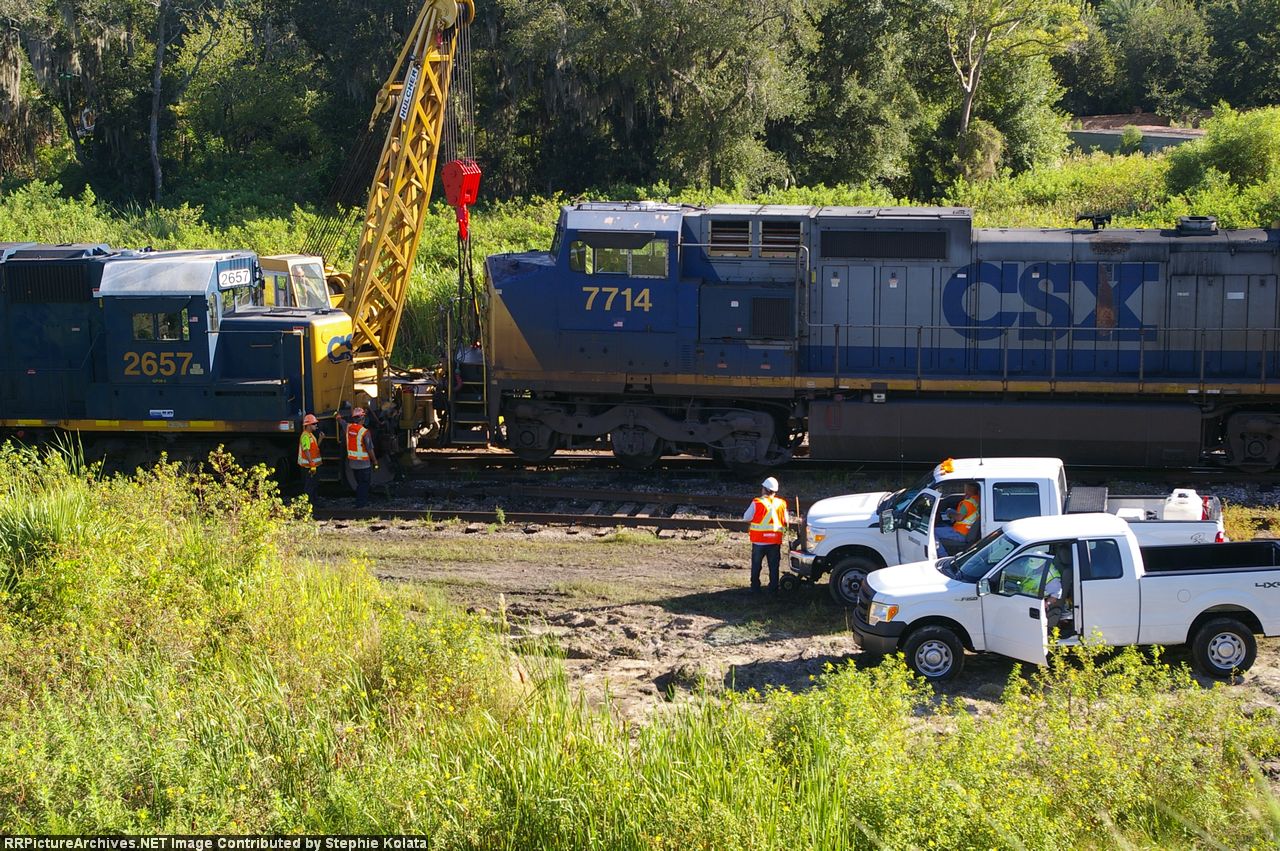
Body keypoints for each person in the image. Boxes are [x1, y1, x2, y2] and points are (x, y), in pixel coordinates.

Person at [743, 476, 789, 593]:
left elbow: (746, 518)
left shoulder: (757, 502)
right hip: (774, 541)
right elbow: (786, 521)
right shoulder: (782, 503)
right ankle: (773, 589)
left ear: (764, 489)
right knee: (774, 567)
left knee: (756, 565)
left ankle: (755, 588)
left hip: (759, 541)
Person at [346, 407, 378, 508]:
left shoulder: (348, 427)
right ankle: (361, 504)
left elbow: (341, 421)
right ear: (362, 419)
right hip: (364, 464)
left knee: (359, 483)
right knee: (364, 484)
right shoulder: (364, 432)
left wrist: (337, 416)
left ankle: (360, 501)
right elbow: (370, 449)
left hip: (353, 463)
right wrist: (375, 462)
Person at [935, 482, 980, 552]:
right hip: (967, 531)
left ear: (968, 489)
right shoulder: (978, 500)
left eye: (965, 488)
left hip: (960, 533)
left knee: (933, 532)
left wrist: (950, 514)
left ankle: (941, 555)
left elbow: (959, 517)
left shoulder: (967, 503)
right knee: (943, 524)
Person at [297, 413, 322, 503]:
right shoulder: (305, 436)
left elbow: (314, 448)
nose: (316, 425)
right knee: (310, 485)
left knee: (314, 484)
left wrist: (320, 439)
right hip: (309, 466)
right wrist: (311, 462)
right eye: (314, 424)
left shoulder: (310, 435)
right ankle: (310, 503)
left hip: (312, 465)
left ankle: (314, 502)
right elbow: (306, 450)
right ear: (308, 425)